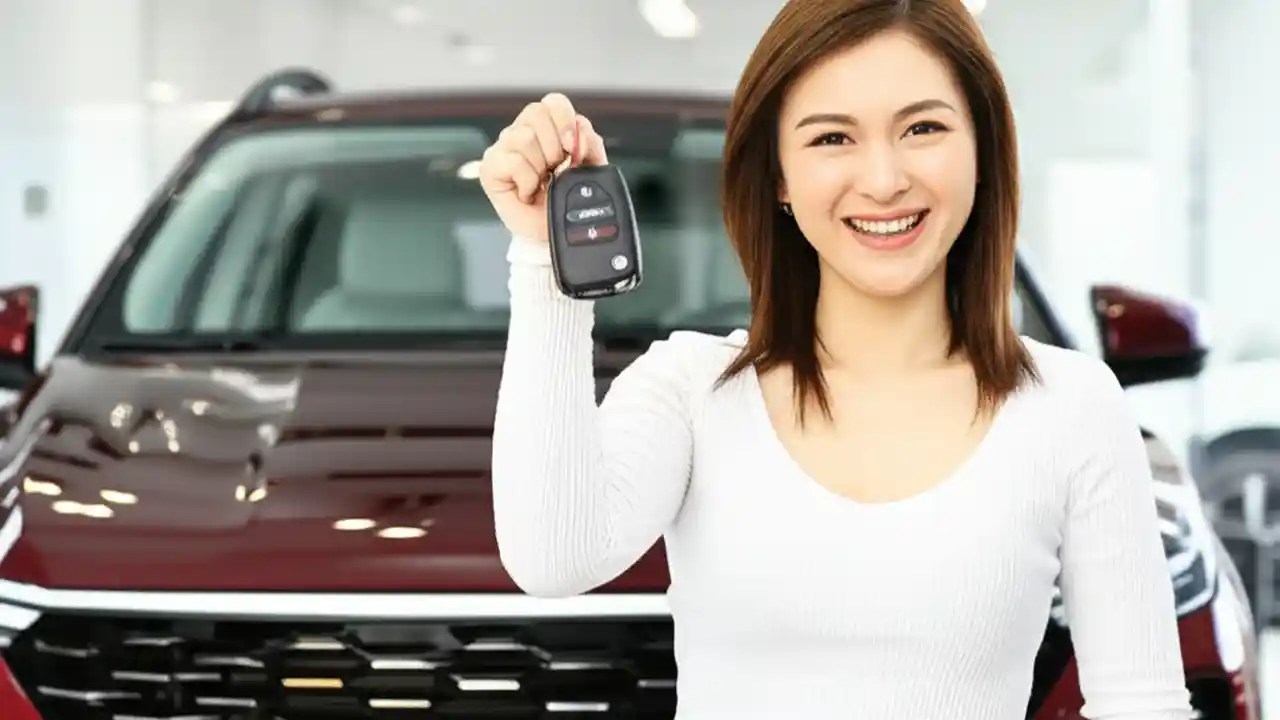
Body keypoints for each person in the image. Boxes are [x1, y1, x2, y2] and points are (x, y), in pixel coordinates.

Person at [479, 0, 1194, 718]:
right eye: (832, 139)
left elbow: (1143, 704)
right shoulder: (692, 392)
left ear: (981, 150)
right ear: (780, 176)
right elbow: (553, 557)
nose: (883, 180)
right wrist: (546, 262)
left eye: (923, 128)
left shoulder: (1071, 406)